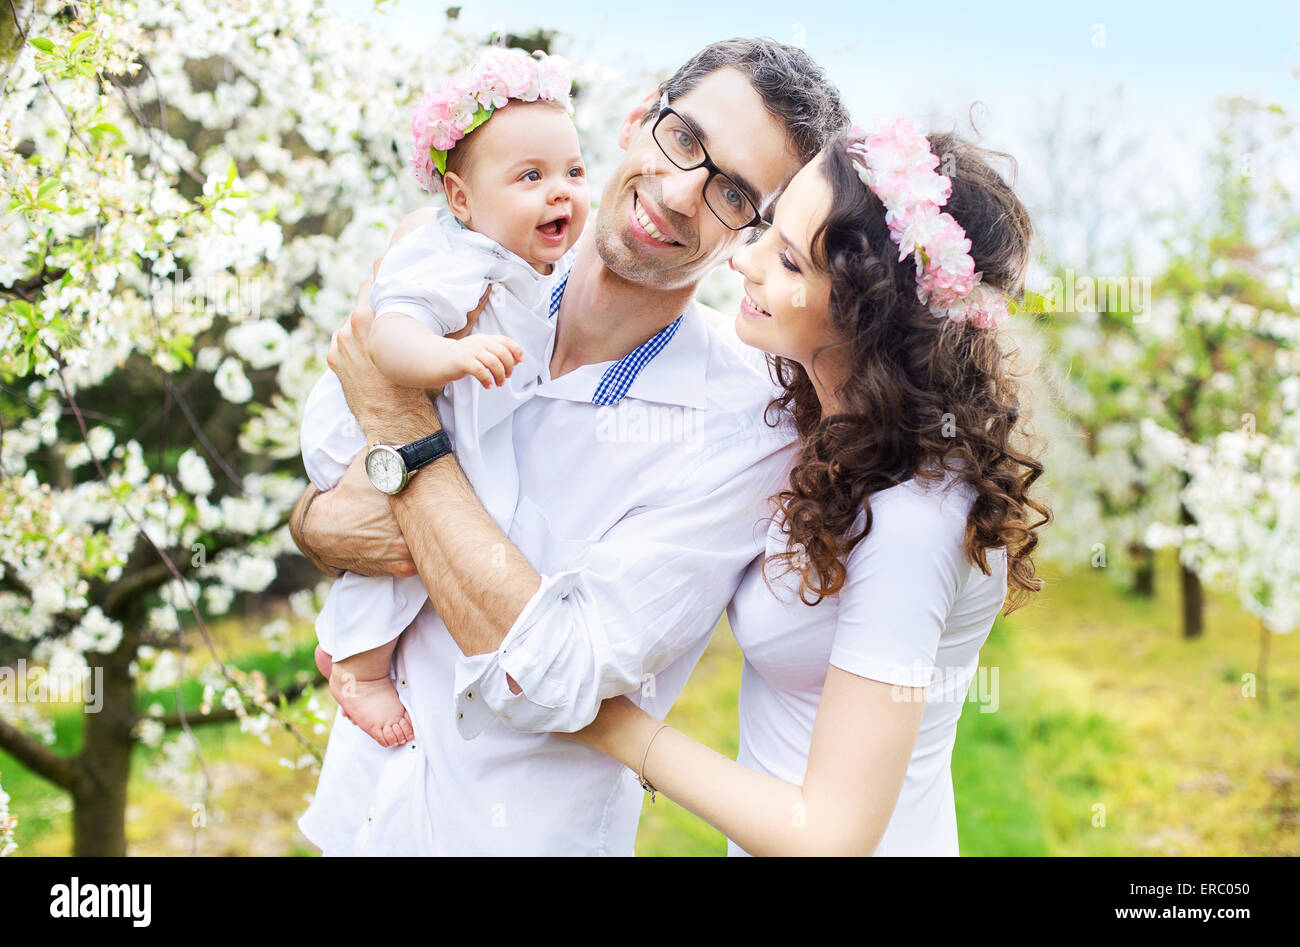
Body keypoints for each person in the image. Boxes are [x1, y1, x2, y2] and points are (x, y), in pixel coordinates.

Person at [291, 38, 850, 855]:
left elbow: (553, 672)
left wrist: (404, 433)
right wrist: (317, 524)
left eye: (732, 192)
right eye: (684, 141)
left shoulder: (745, 429)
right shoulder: (456, 264)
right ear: (637, 119)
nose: (679, 194)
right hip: (364, 814)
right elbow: (332, 492)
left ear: (755, 236)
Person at [564, 120, 1051, 855]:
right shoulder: (820, 413)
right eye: (765, 230)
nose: (745, 262)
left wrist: (614, 724)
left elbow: (831, 835)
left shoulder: (911, 520)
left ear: (870, 313)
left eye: (788, 261)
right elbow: (632, 317)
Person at [299, 49, 587, 749]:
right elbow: (386, 338)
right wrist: (450, 355)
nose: (561, 192)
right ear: (460, 200)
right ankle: (359, 668)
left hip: (416, 422)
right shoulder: (447, 255)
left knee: (433, 525)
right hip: (359, 426)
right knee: (406, 539)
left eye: (574, 172)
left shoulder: (532, 260)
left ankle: (350, 644)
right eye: (530, 176)